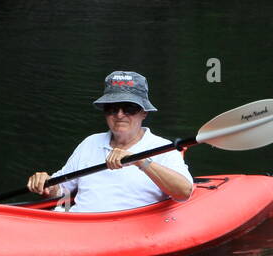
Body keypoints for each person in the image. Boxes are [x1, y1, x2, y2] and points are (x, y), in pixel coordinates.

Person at [27, 71, 194, 212]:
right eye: (112, 108)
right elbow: (62, 192)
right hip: (78, 225)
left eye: (129, 108)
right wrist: (46, 184)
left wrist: (140, 161)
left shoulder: (163, 148)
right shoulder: (90, 143)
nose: (120, 114)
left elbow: (184, 192)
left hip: (126, 228)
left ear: (144, 113)